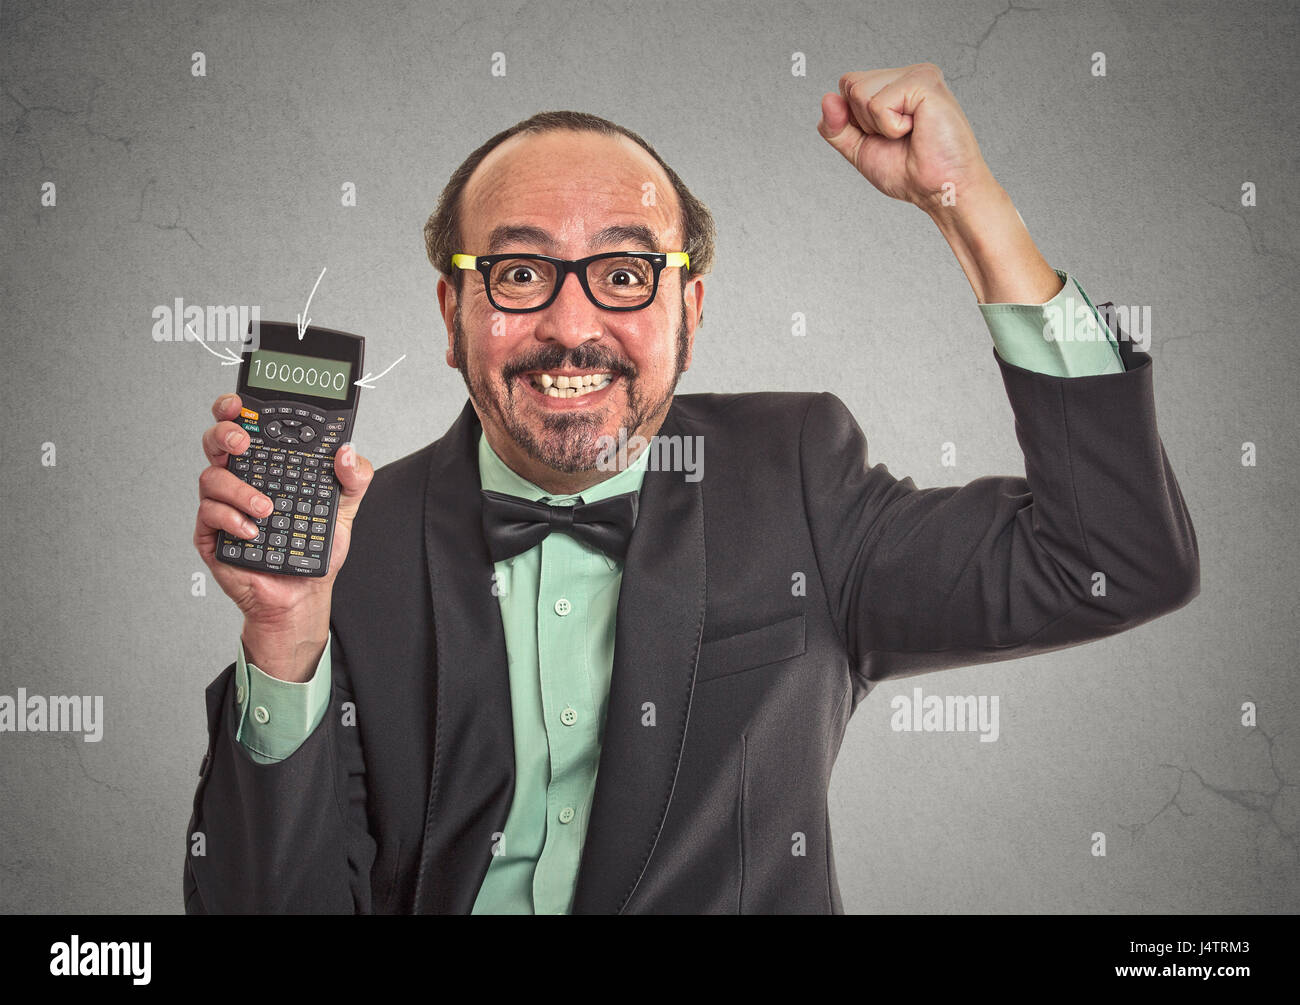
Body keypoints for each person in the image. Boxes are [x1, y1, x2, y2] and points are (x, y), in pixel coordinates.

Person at [184, 64, 1199, 914]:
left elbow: (1113, 560)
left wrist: (968, 205)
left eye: (625, 274)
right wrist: (284, 635)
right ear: (452, 314)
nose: (571, 326)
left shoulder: (796, 477)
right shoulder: (345, 544)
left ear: (690, 312)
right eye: (520, 274)